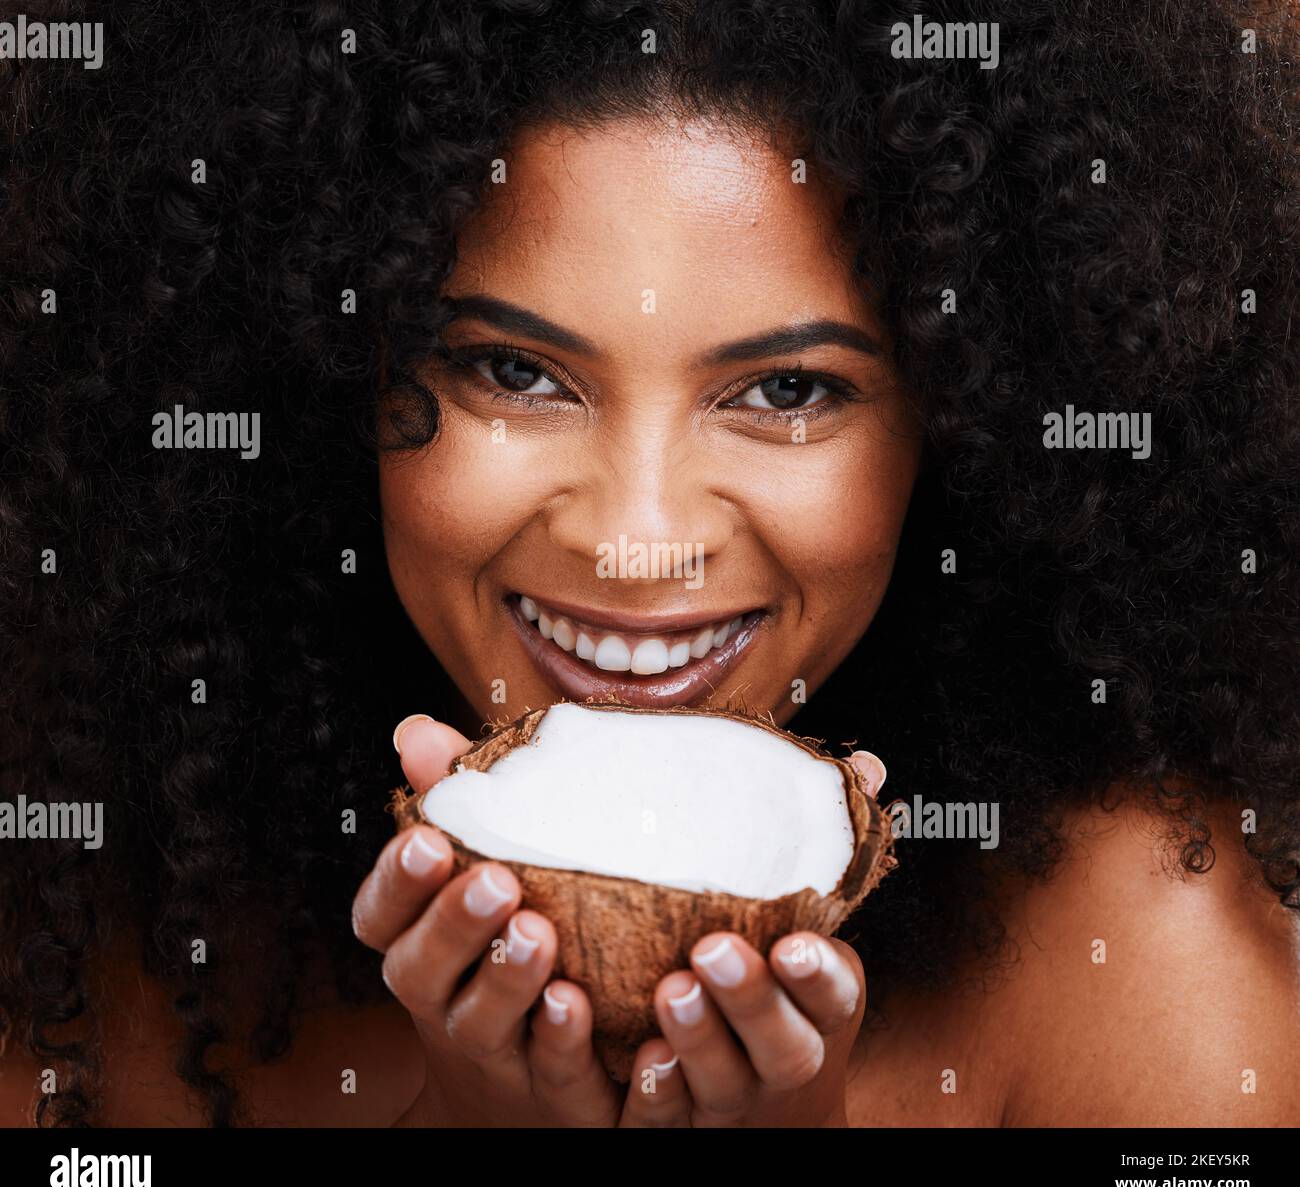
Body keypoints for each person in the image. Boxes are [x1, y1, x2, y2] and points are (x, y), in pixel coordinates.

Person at [2, 0, 1297, 1127]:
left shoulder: (1146, 965)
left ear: (961, 417)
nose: (638, 535)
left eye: (787, 388)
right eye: (514, 371)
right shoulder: (116, 945)